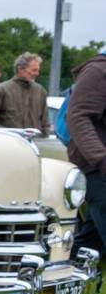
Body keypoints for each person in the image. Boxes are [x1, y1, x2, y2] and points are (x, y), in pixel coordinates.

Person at [66, 47, 106, 260]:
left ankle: (59, 276)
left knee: (88, 241)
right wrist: (101, 158)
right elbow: (78, 115)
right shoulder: (98, 71)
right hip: (97, 171)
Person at [0, 52, 48, 134]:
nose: (37, 74)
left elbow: (45, 122)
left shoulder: (40, 91)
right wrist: (1, 134)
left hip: (34, 143)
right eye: (34, 70)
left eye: (38, 70)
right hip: (8, 143)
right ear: (21, 69)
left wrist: (44, 137)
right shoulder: (2, 89)